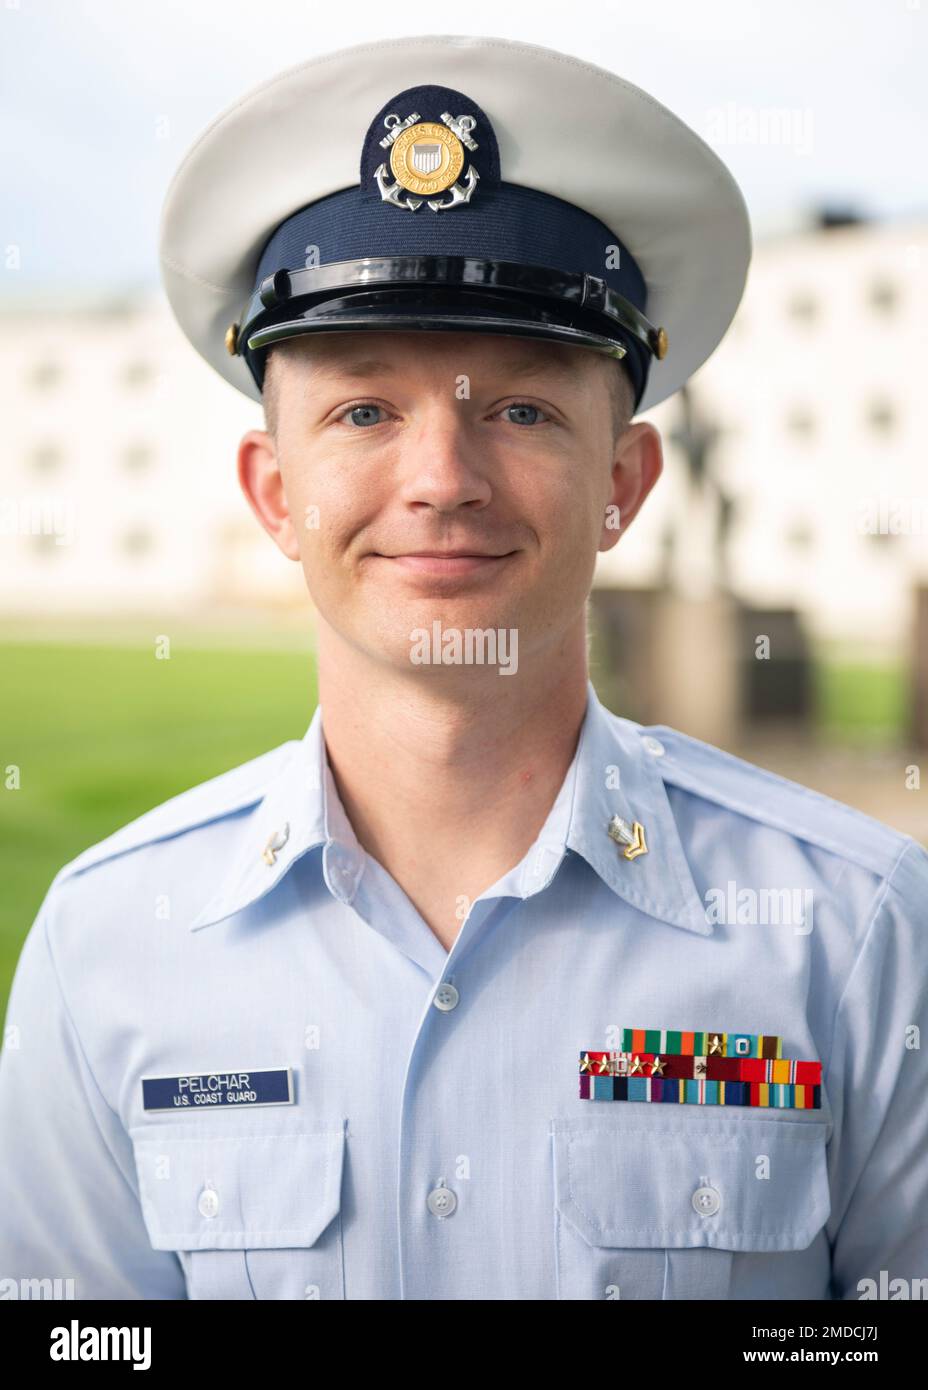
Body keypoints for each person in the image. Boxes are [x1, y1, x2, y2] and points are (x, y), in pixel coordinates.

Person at [0, 33, 925, 1303]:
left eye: (521, 408)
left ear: (622, 482)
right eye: (364, 411)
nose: (441, 478)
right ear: (274, 494)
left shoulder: (857, 931)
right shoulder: (106, 949)